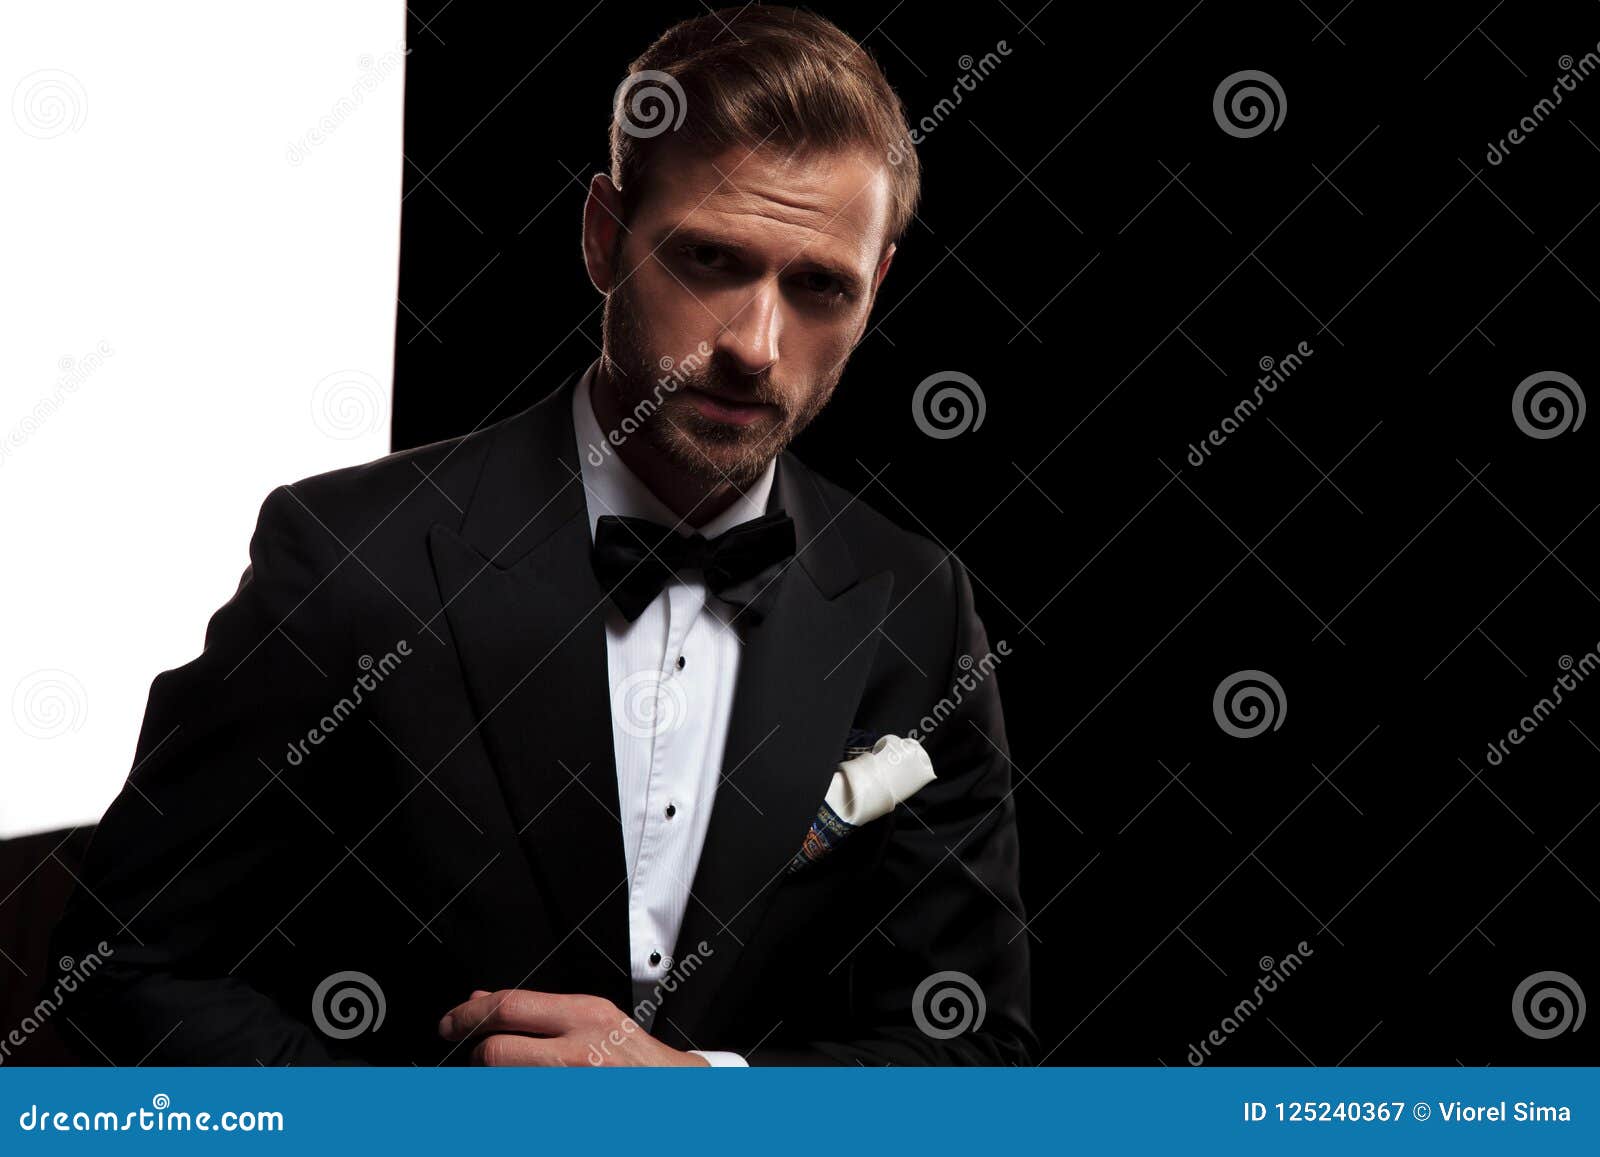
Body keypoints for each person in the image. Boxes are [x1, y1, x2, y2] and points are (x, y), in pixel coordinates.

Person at [48, 5, 1033, 1066]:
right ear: (603, 237)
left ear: (876, 286)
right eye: (709, 259)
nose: (755, 345)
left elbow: (972, 1049)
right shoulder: (347, 559)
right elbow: (119, 974)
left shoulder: (917, 607)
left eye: (818, 286)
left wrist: (704, 1102)